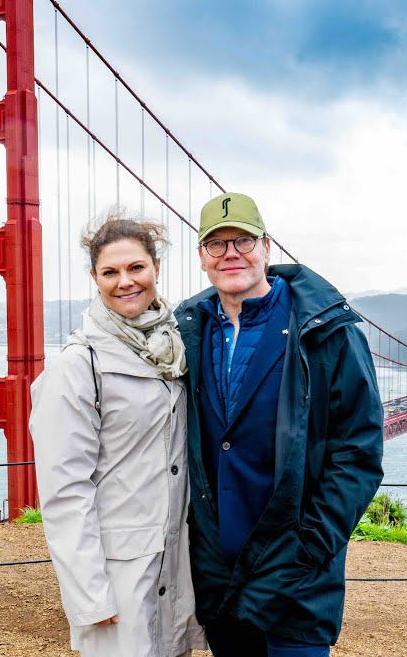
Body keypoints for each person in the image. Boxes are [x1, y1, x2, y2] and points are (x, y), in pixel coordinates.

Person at [176, 192, 385, 656]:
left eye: (244, 241)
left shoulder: (329, 332)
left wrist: (310, 548)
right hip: (219, 581)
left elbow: (359, 452)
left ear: (267, 248)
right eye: (217, 244)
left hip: (298, 579)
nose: (231, 253)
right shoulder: (185, 335)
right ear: (202, 259)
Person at [29, 211, 207, 657]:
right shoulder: (78, 364)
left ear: (156, 269)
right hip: (116, 572)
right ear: (94, 277)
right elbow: (64, 489)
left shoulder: (175, 345)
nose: (125, 281)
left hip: (174, 563)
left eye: (136, 268)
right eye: (110, 271)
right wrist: (89, 595)